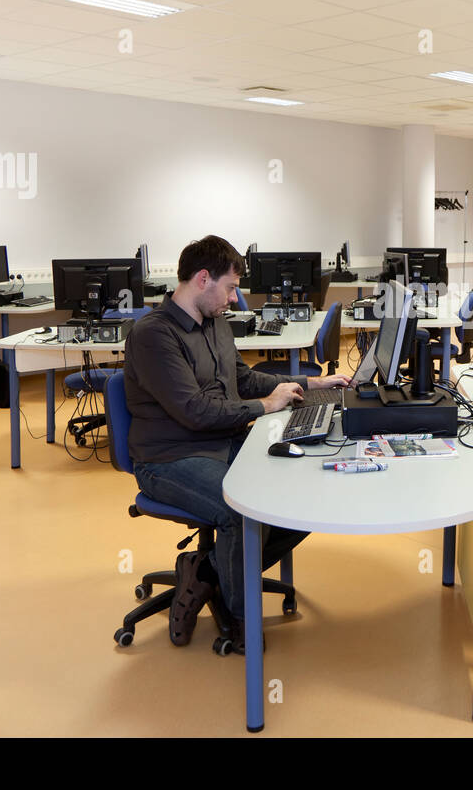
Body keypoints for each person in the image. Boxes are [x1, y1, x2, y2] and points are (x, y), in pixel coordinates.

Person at [123, 235, 350, 650]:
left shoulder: (215, 322)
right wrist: (265, 406)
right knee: (240, 509)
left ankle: (206, 574)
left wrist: (308, 383)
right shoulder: (153, 336)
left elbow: (242, 380)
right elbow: (193, 410)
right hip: (169, 457)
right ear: (203, 279)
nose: (235, 298)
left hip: (222, 440)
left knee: (302, 492)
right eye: (230, 288)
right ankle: (239, 617)